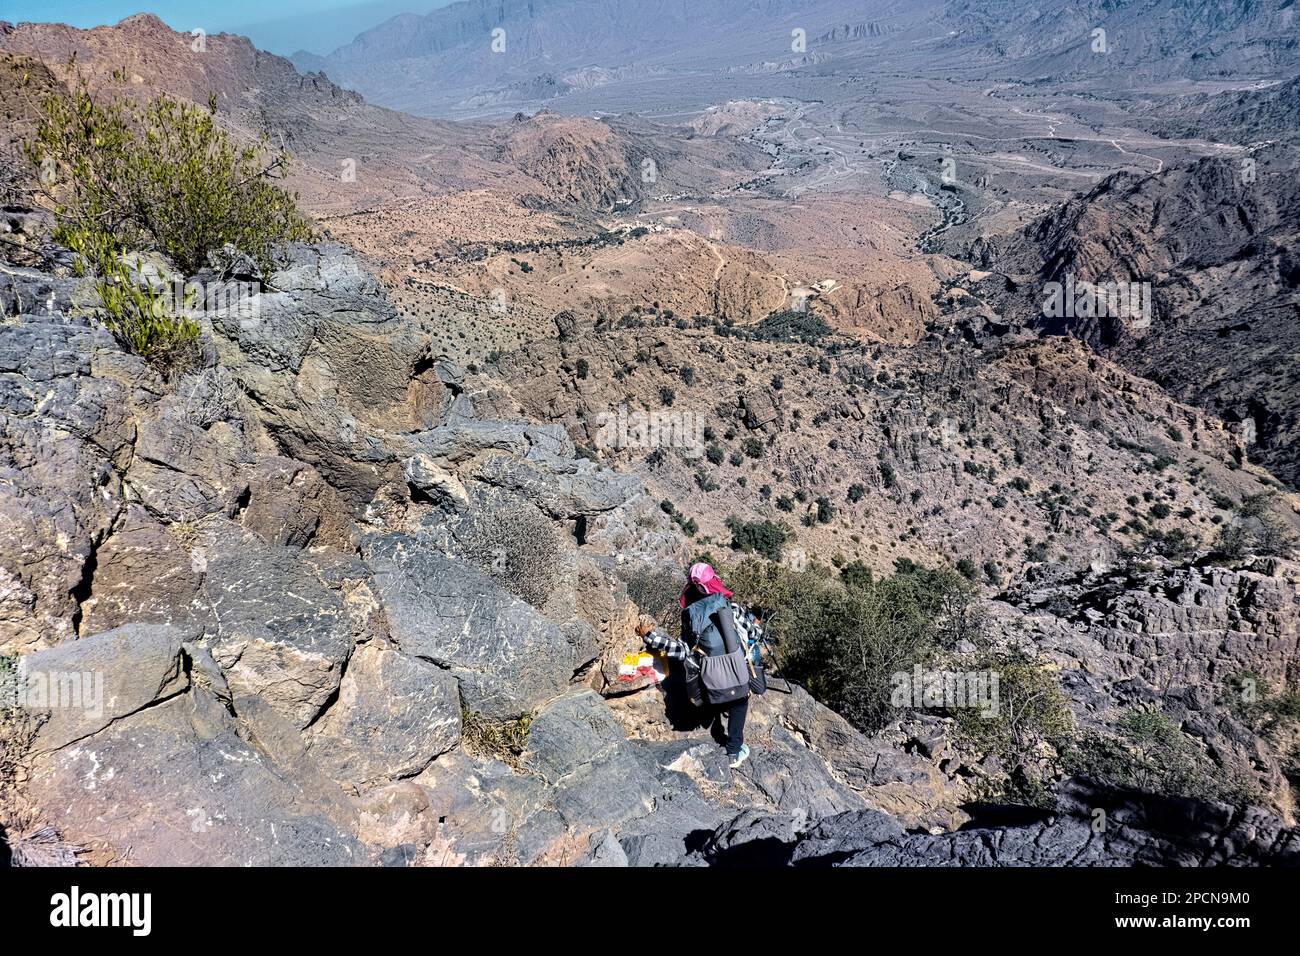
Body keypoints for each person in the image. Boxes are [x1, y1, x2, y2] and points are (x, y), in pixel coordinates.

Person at [637, 562, 757, 768]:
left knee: (698, 670)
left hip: (709, 687)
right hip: (737, 680)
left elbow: (681, 651)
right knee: (740, 702)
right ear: (714, 582)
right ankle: (734, 751)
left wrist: (650, 637)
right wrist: (754, 628)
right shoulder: (732, 607)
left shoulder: (690, 616)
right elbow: (753, 635)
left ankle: (716, 706)